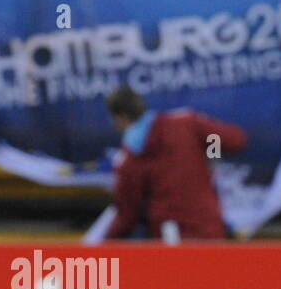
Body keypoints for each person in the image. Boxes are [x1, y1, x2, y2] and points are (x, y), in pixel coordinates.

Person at [102, 85, 246, 241]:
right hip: (208, 229)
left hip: (169, 236)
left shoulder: (129, 159)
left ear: (120, 118)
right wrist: (212, 157)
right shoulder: (185, 124)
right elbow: (232, 139)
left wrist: (105, 246)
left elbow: (126, 216)